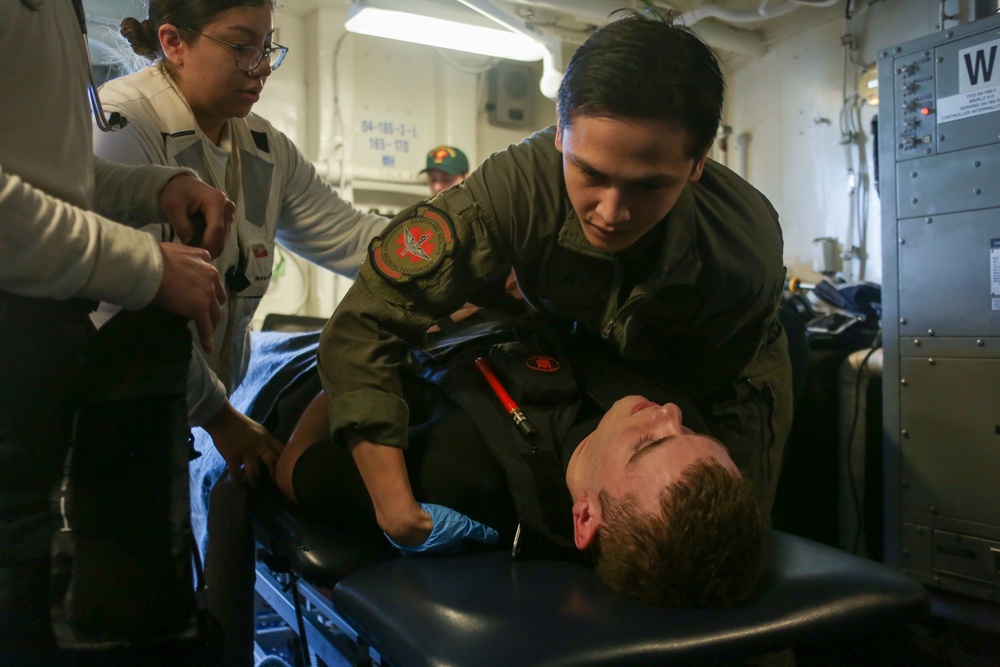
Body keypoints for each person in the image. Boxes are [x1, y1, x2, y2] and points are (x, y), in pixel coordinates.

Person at [317, 10, 792, 564]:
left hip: (712, 373)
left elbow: (712, 399)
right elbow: (367, 320)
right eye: (590, 173)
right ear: (561, 134)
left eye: (651, 185)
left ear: (698, 161)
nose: (612, 212)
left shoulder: (740, 247)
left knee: (718, 555)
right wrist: (397, 510)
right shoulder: (514, 190)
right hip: (571, 346)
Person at [92, 1, 387, 663]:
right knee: (128, 611)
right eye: (241, 47)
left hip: (188, 407)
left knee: (179, 596)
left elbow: (352, 237)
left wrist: (456, 247)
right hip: (114, 422)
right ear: (173, 42)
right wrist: (221, 413)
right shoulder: (121, 126)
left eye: (268, 48)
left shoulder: (260, 146)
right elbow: (126, 308)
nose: (260, 70)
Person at [0, 0, 234, 663]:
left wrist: (153, 190)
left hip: (41, 323)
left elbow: (49, 172)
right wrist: (140, 264)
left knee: (37, 574)